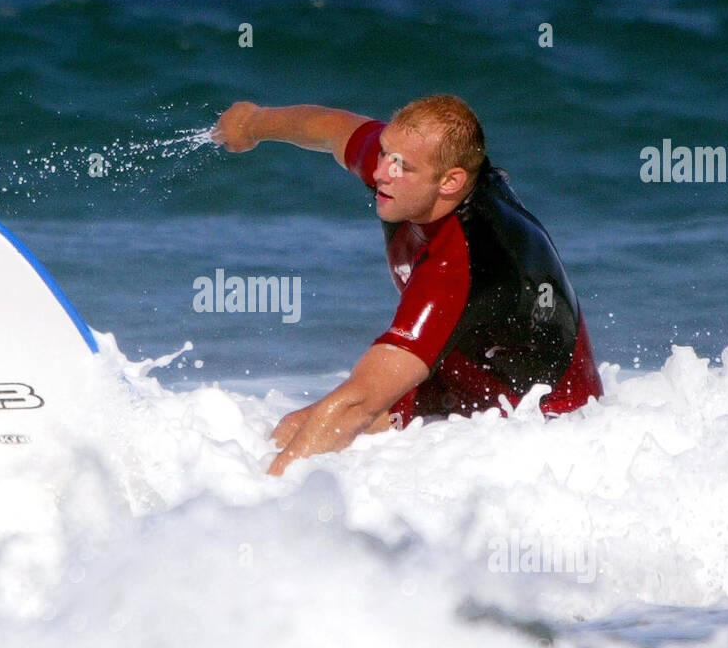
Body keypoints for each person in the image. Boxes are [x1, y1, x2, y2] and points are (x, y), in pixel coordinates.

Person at [211, 94, 603, 476]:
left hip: (540, 428)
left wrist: (261, 508)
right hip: (460, 373)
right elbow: (331, 129)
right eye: (384, 153)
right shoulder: (410, 174)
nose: (381, 172)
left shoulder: (460, 264)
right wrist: (252, 122)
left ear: (451, 181)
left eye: (401, 165)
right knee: (292, 429)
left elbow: (357, 403)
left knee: (332, 425)